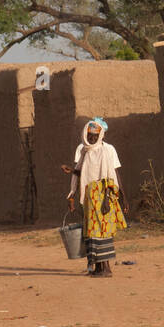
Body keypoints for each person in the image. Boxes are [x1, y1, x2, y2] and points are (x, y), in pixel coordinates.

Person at [63, 117, 128, 277]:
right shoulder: (85, 151)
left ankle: (106, 268)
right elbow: (83, 172)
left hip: (101, 195)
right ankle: (98, 268)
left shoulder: (105, 151)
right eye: (90, 134)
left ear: (100, 135)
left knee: (102, 231)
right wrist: (71, 171)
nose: (92, 138)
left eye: (95, 135)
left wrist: (108, 198)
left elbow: (109, 176)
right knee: (92, 231)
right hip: (89, 197)